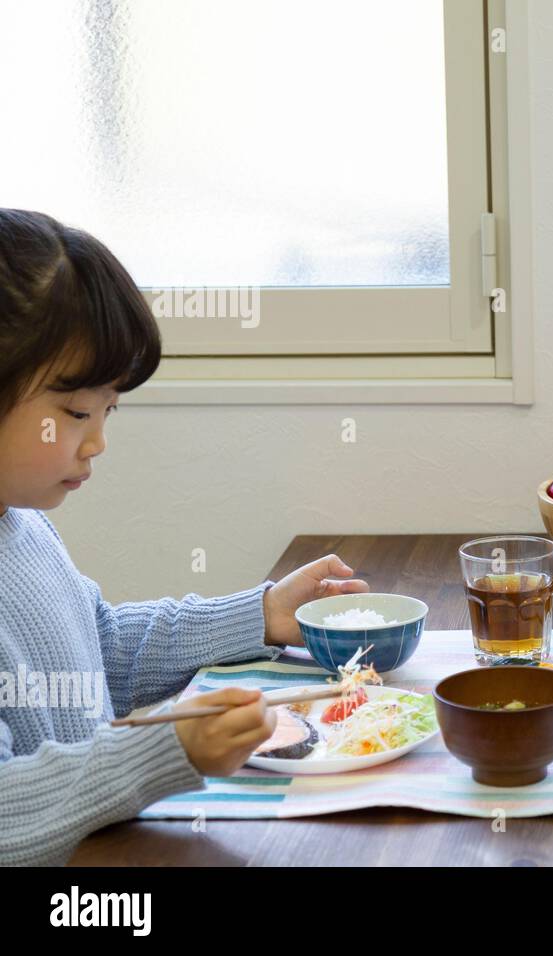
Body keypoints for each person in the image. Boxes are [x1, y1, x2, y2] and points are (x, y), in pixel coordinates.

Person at [0, 208, 369, 865]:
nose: (98, 440)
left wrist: (258, 614)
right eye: (77, 411)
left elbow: (100, 655)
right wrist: (163, 750)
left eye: (109, 410)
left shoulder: (23, 526)